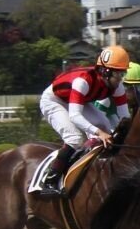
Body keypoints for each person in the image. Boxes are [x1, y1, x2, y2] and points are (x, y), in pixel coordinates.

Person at [37, 46, 130, 197]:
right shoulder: (83, 81)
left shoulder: (117, 86)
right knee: (74, 138)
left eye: (122, 72)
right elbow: (75, 116)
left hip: (79, 100)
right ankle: (50, 181)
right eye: (118, 73)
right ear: (106, 71)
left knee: (107, 129)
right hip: (54, 100)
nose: (121, 77)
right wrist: (99, 133)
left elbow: (125, 117)